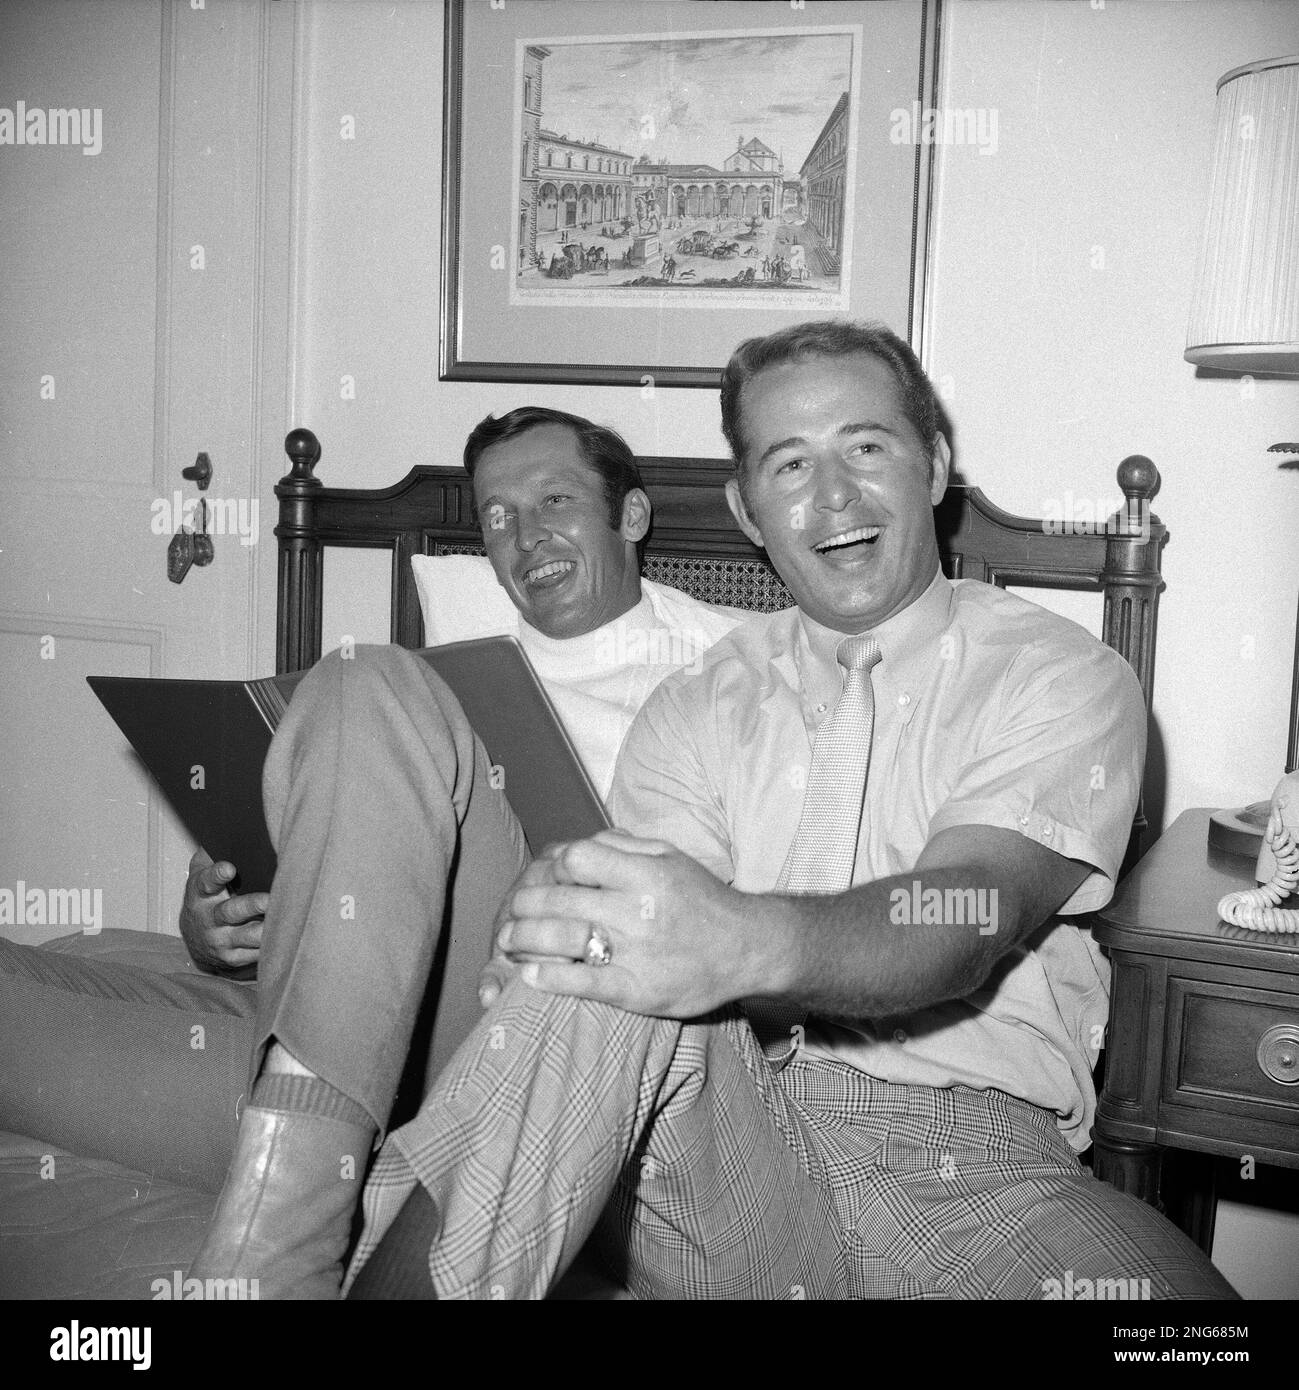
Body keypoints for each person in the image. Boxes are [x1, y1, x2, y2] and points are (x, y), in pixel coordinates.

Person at [336, 321, 1237, 1300]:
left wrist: (747, 941)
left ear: (933, 465)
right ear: (748, 508)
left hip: (979, 1174)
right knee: (606, 954)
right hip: (727, 1157)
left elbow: (967, 913)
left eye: (866, 446)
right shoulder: (696, 703)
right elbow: (633, 948)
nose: (835, 496)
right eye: (790, 464)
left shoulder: (1059, 674)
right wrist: (559, 928)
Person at [0, 407, 740, 1296]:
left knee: (369, 676)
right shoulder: (449, 678)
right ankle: (305, 1171)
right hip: (354, 1060)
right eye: (498, 516)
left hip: (542, 1073)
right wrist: (221, 929)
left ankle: (277, 1257)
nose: (525, 534)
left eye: (556, 499)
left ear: (630, 515)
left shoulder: (733, 673)